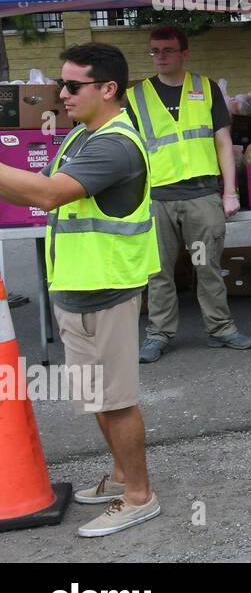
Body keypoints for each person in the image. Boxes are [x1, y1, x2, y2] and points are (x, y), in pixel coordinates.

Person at [0, 43, 162, 537]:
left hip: (106, 288)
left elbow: (48, 194)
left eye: (72, 86)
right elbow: (42, 193)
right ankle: (119, 477)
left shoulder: (114, 143)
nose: (61, 94)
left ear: (107, 89)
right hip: (76, 286)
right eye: (60, 84)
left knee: (116, 400)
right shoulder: (81, 137)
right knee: (96, 397)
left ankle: (139, 495)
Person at [128, 27, 251, 363]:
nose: (161, 56)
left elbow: (223, 142)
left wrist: (230, 192)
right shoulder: (136, 96)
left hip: (201, 196)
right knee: (159, 273)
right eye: (155, 51)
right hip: (157, 198)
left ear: (184, 53)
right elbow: (128, 150)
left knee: (206, 266)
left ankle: (220, 329)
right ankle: (158, 335)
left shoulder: (205, 88)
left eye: (168, 50)